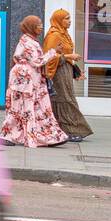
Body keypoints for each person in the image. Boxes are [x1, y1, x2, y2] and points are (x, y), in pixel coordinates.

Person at [0, 15, 73, 148]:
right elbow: (36, 61)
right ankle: (10, 135)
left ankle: (49, 136)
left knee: (38, 108)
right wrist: (53, 52)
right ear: (31, 27)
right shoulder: (28, 42)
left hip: (31, 80)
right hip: (24, 81)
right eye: (38, 25)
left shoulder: (30, 41)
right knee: (22, 108)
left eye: (41, 24)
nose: (41, 27)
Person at [43, 8, 93, 142]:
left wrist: (75, 70)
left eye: (69, 18)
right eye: (66, 18)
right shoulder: (54, 35)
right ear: (59, 20)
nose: (70, 21)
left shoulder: (64, 34)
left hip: (65, 71)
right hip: (58, 74)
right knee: (64, 101)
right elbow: (50, 57)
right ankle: (70, 130)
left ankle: (64, 130)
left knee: (65, 100)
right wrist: (70, 56)